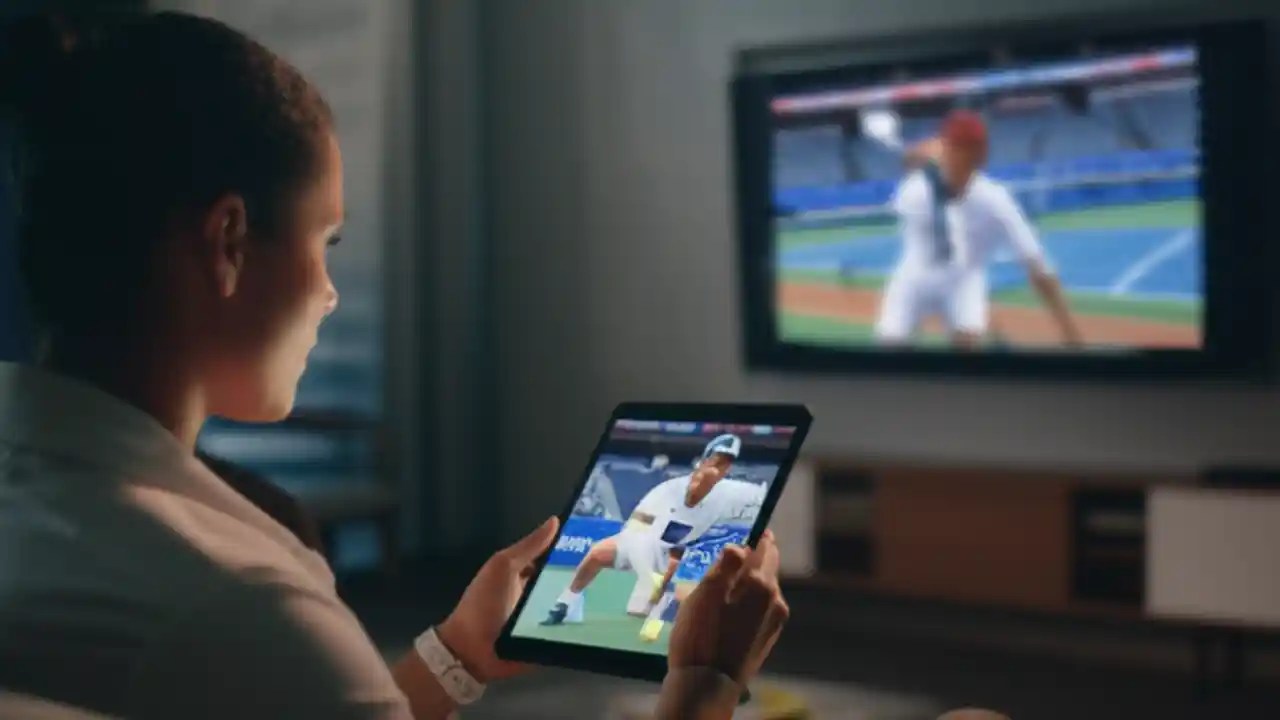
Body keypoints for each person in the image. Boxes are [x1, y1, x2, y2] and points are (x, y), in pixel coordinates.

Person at [0, 11, 788, 720]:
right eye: (326, 243)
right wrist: (709, 679)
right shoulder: (241, 609)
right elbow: (263, 662)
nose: (332, 295)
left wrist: (458, 655)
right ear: (230, 242)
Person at [875, 109, 1083, 349]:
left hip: (963, 281)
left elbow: (1037, 266)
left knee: (968, 348)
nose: (957, 157)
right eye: (953, 147)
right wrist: (917, 157)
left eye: (966, 150)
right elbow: (911, 165)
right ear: (944, 148)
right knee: (889, 345)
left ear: (981, 156)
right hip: (914, 278)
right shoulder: (916, 191)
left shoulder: (995, 200)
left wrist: (1071, 335)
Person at [541, 434, 767, 625]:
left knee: (654, 607)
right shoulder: (667, 490)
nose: (718, 469)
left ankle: (667, 603)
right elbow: (638, 524)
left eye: (724, 464)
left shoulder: (731, 493)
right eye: (716, 461)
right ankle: (568, 603)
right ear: (703, 461)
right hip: (642, 543)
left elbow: (761, 497)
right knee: (596, 553)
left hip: (674, 556)